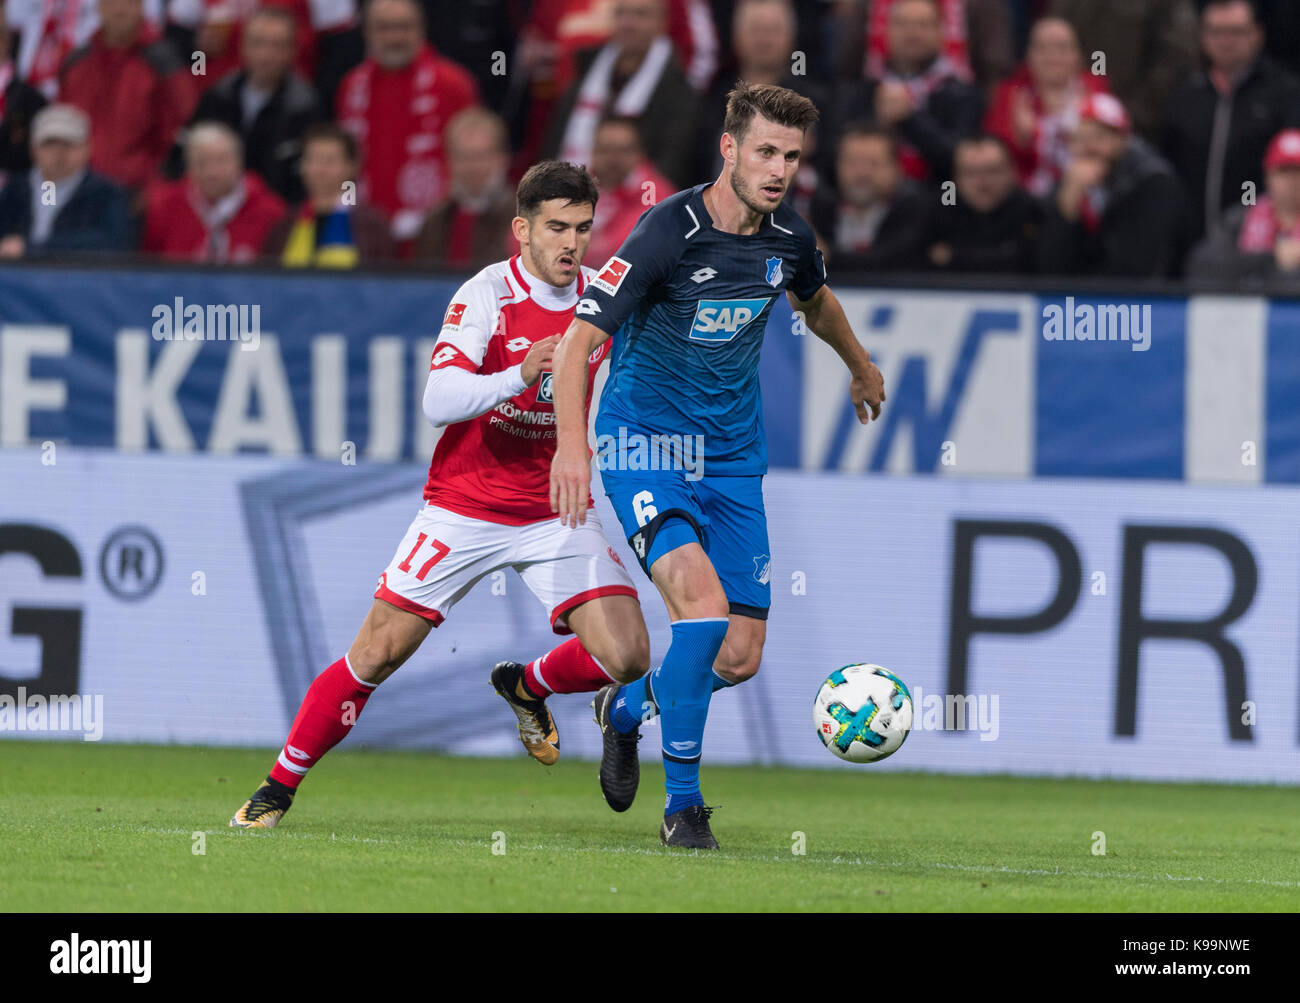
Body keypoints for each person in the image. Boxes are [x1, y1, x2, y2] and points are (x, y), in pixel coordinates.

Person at [230, 161, 652, 829]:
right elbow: (439, 399)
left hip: (553, 507)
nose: (572, 243)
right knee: (376, 653)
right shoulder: (488, 292)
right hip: (465, 504)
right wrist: (520, 370)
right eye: (556, 228)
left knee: (628, 655)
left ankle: (526, 683)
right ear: (522, 230)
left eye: (582, 228)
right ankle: (277, 787)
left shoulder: (600, 297)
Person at [549, 82, 886, 849]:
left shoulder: (789, 238)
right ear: (729, 148)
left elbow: (817, 299)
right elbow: (576, 344)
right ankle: (685, 807)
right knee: (700, 609)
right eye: (765, 151)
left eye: (792, 157)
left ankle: (627, 708)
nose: (778, 169)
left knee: (736, 654)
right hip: (646, 447)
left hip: (733, 461)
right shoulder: (667, 231)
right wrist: (574, 446)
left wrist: (860, 367)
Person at [335, 0, 480, 243]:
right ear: (367, 33)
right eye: (384, 28)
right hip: (365, 234)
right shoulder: (351, 86)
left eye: (403, 27)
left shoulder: (453, 85)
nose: (394, 37)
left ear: (421, 30)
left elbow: (472, 158)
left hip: (433, 235)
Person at [1161, 0, 1300, 244]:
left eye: (1236, 32)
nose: (1226, 41)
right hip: (1192, 246)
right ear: (1203, 37)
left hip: (1261, 248)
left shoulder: (1285, 95)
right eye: (1216, 32)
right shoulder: (1185, 96)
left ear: (1257, 34)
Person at [175, 6, 324, 202]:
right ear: (243, 47)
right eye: (257, 43)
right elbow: (181, 157)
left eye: (277, 45)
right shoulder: (218, 96)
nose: (265, 55)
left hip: (277, 219)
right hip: (213, 211)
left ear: (292, 51)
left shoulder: (306, 107)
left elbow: (310, 182)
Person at [542, 0, 698, 189]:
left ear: (661, 23)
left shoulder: (680, 94)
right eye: (621, 14)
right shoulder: (584, 73)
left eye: (640, 15)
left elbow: (671, 165)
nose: (628, 23)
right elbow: (553, 145)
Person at [831, 0, 983, 183]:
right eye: (902, 24)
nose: (912, 34)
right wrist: (878, 121)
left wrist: (909, 118)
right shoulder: (861, 90)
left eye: (923, 25)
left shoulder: (963, 94)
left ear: (941, 32)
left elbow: (960, 163)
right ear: (886, 31)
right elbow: (833, 160)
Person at [1038, 92, 1185, 277]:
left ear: (1122, 140)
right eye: (1079, 139)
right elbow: (1049, 270)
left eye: (1099, 137)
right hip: (1077, 301)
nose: (1089, 148)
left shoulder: (1152, 183)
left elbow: (1136, 268)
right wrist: (1068, 206)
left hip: (1142, 302)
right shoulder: (1069, 184)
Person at [58, 0, 196, 193]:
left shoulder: (165, 64)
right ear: (98, 7)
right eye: (111, 3)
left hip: (138, 194)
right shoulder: (76, 64)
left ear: (141, 7)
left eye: (128, 2)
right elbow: (60, 132)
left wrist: (154, 192)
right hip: (78, 194)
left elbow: (181, 136)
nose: (119, 10)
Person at [984, 16, 1107, 196]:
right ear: (1028, 55)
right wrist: (1024, 141)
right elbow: (995, 157)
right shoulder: (1010, 94)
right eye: (1042, 48)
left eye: (1062, 48)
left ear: (1078, 55)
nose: (1052, 57)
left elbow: (1108, 150)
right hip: (1024, 199)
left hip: (1086, 195)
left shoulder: (1096, 91)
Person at [141, 121, 285, 261]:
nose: (212, 172)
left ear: (239, 162)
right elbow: (149, 270)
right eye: (201, 162)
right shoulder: (165, 207)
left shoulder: (270, 212)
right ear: (188, 167)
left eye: (221, 161)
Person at [0, 103, 131, 256]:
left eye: (68, 144)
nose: (59, 153)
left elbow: (114, 243)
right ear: (33, 148)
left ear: (87, 148)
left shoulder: (108, 194)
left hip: (77, 277)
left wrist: (32, 249)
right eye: (50, 144)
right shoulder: (13, 190)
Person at [262, 121, 394, 265]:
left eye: (330, 161)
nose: (320, 169)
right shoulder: (284, 225)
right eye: (312, 160)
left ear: (352, 166)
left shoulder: (371, 225)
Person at [1187, 127, 1300, 285]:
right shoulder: (1241, 218)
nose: (1292, 180)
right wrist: (1272, 258)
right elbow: (1202, 264)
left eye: (1298, 170)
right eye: (1284, 170)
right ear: (1268, 175)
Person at [809, 123, 929, 271]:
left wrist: (827, 256)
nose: (862, 173)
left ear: (896, 169)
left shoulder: (917, 214)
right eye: (851, 162)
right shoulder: (819, 211)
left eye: (873, 163)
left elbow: (889, 262)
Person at [411, 107, 516, 270]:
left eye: (481, 156)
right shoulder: (435, 222)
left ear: (501, 158)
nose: (472, 167)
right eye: (463, 157)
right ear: (449, 160)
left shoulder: (523, 218)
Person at [926, 133, 1040, 273]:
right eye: (971, 173)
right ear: (955, 177)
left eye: (992, 171)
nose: (983, 183)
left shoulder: (1030, 210)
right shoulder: (939, 209)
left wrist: (954, 256)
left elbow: (1030, 261)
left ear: (1012, 172)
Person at [585, 115, 676, 267]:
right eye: (605, 150)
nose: (613, 159)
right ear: (593, 151)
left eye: (623, 151)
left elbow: (620, 249)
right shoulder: (581, 184)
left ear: (640, 153)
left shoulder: (653, 193)